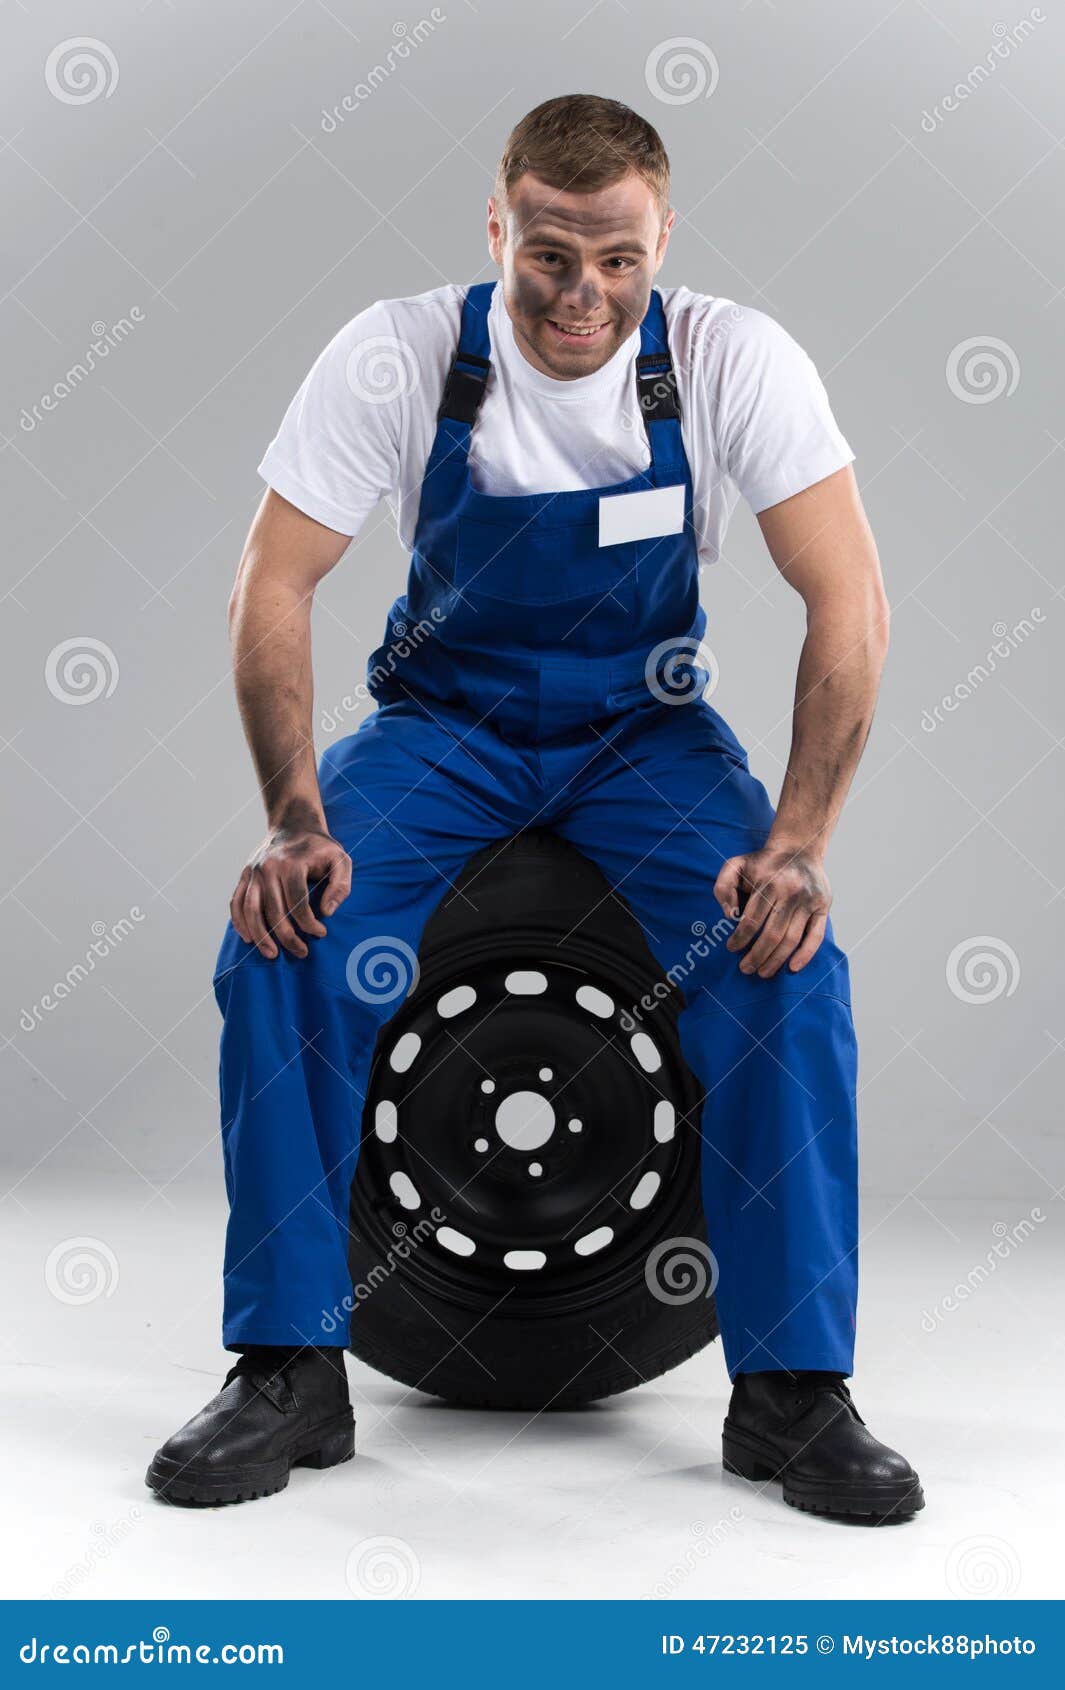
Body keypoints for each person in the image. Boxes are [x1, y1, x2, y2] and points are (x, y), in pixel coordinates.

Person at [146, 93, 923, 1521]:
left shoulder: (727, 359)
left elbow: (849, 602)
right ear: (498, 224)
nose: (583, 293)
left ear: (661, 238)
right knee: (284, 941)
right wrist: (292, 816)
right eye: (551, 255)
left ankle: (793, 1391)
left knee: (782, 960)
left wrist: (797, 845)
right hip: (447, 721)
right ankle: (287, 1366)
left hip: (645, 732)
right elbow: (271, 585)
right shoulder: (395, 357)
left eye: (617, 259)